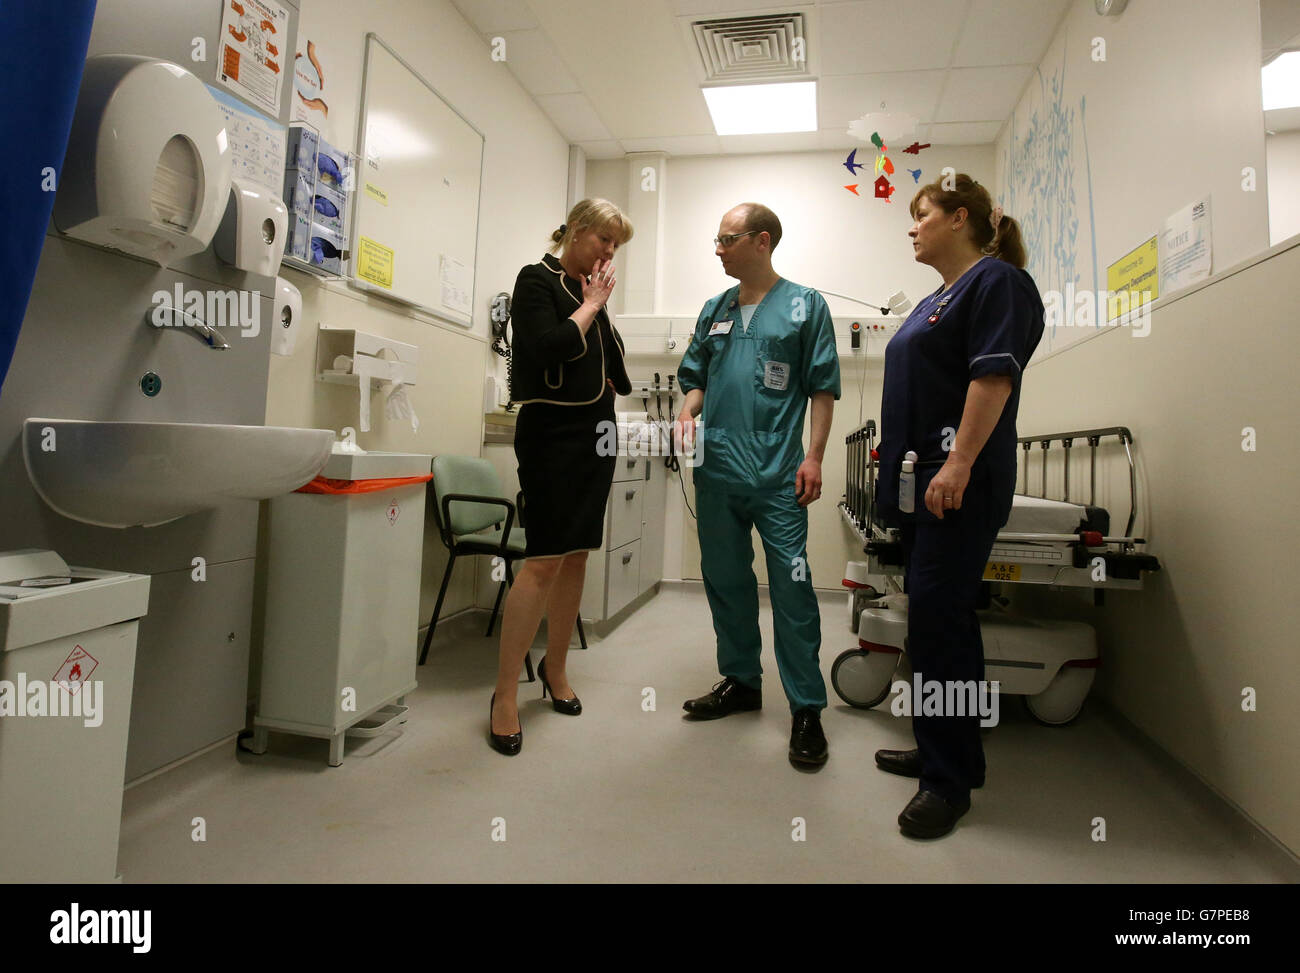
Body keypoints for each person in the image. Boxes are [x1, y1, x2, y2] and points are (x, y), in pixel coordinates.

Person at [873, 174, 1044, 837]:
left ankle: (947, 783)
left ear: (959, 216)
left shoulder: (997, 282)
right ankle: (946, 749)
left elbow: (993, 374)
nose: (911, 227)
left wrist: (961, 461)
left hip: (958, 483)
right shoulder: (934, 300)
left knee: (941, 623)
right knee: (940, 622)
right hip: (924, 485)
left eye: (922, 215)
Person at [675, 203, 841, 767]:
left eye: (726, 238)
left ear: (762, 241)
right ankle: (742, 681)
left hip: (777, 472)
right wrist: (686, 410)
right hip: (717, 469)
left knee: (792, 588)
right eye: (716, 239)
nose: (717, 248)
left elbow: (822, 388)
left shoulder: (805, 305)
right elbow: (696, 377)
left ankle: (806, 708)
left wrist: (814, 457)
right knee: (725, 580)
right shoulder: (714, 309)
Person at [488, 199, 634, 755]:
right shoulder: (537, 280)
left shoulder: (586, 295)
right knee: (544, 557)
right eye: (604, 240)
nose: (608, 252)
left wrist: (599, 309)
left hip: (597, 435)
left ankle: (556, 667)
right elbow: (545, 347)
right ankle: (504, 694)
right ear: (577, 231)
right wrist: (591, 305)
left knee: (577, 554)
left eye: (615, 246)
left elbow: (616, 375)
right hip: (551, 433)